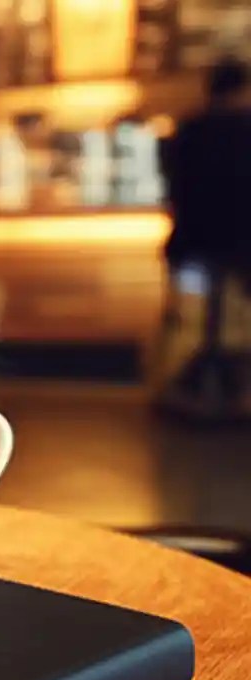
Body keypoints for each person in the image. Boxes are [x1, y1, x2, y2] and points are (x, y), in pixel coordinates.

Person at [157, 57, 251, 416]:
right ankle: (233, 392)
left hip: (193, 244)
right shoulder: (246, 130)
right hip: (242, 246)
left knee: (189, 322)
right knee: (238, 323)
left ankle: (188, 390)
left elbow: (174, 188)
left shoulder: (189, 131)